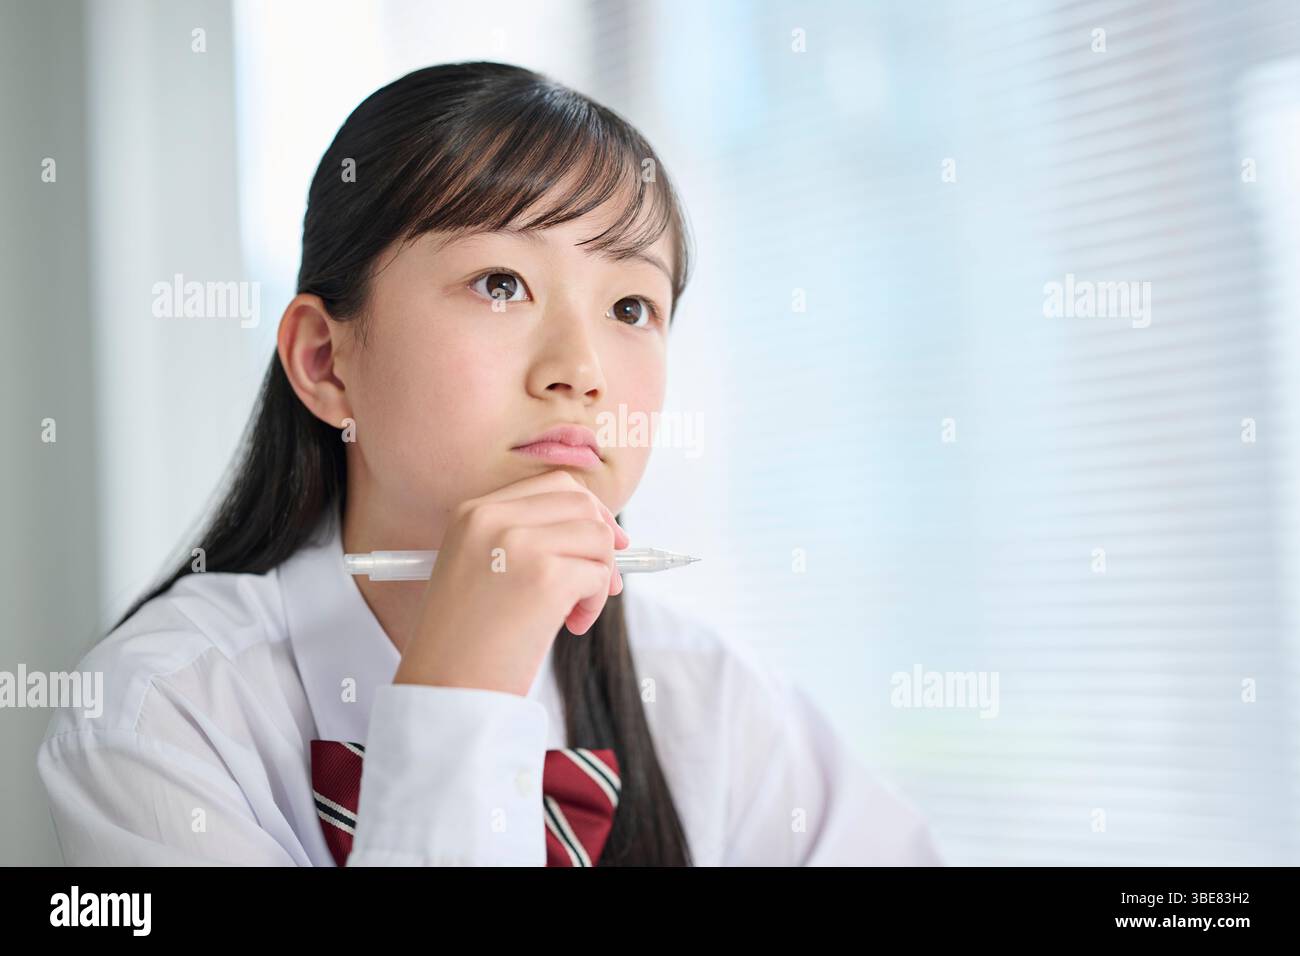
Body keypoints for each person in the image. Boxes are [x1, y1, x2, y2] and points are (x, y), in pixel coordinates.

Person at [36, 61, 942, 866]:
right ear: (325, 361)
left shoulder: (713, 702)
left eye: (631, 308)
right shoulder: (164, 708)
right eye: (501, 285)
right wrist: (464, 685)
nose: (581, 372)